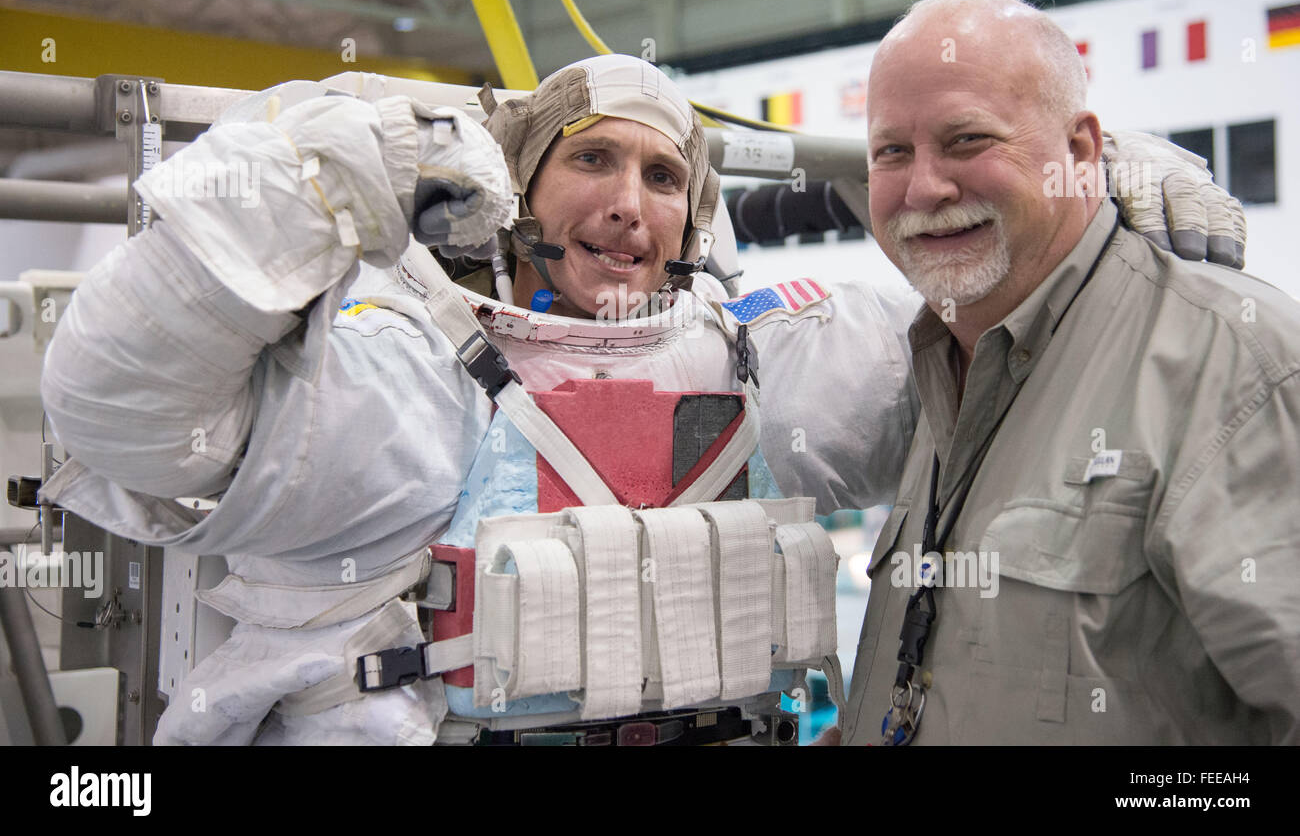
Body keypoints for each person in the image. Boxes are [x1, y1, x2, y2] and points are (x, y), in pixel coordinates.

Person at [38, 51, 1238, 746]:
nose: (629, 201)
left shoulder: (774, 362)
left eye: (663, 174)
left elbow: (1012, 381)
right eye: (591, 161)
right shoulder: (391, 371)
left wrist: (1086, 210)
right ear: (517, 192)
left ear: (690, 215)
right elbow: (119, 410)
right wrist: (315, 180)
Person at [837, 0, 1300, 745]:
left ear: (1081, 150)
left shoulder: (1240, 370)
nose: (924, 187)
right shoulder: (939, 368)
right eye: (893, 152)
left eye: (966, 141)